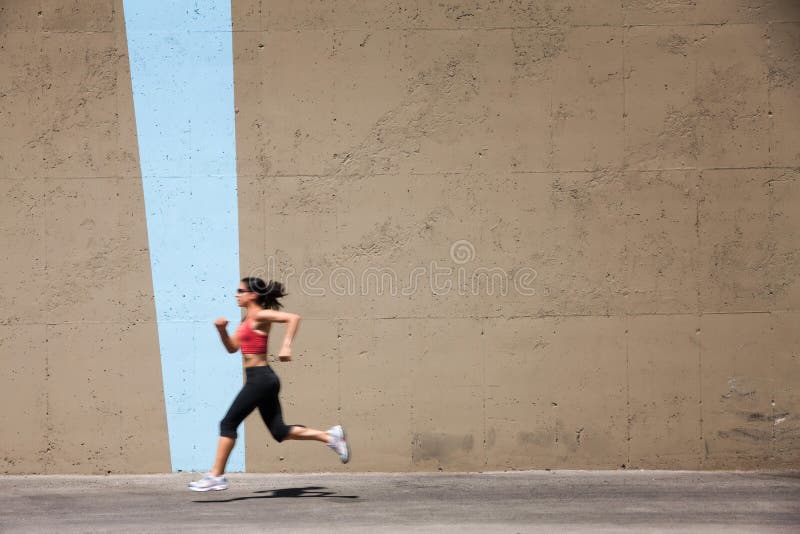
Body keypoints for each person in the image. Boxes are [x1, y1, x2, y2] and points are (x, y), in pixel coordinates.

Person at [188, 277, 349, 492]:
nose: (236, 294)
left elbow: (293, 318)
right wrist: (222, 331)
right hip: (261, 379)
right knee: (279, 432)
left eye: (240, 290)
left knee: (227, 424)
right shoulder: (246, 320)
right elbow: (232, 348)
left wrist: (286, 346)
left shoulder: (261, 315)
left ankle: (216, 475)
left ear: (252, 295)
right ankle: (330, 436)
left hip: (261, 379)